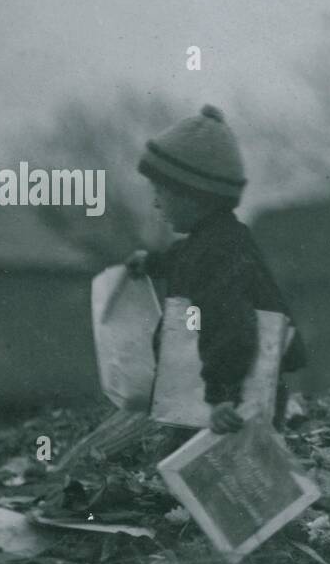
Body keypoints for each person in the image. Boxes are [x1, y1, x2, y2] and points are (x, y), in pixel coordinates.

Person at [125, 104, 305, 433]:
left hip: (232, 404)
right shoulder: (216, 240)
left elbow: (230, 325)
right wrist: (152, 263)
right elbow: (181, 259)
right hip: (236, 394)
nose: (155, 202)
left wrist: (223, 396)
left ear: (193, 196)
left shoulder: (216, 251)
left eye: (160, 191)